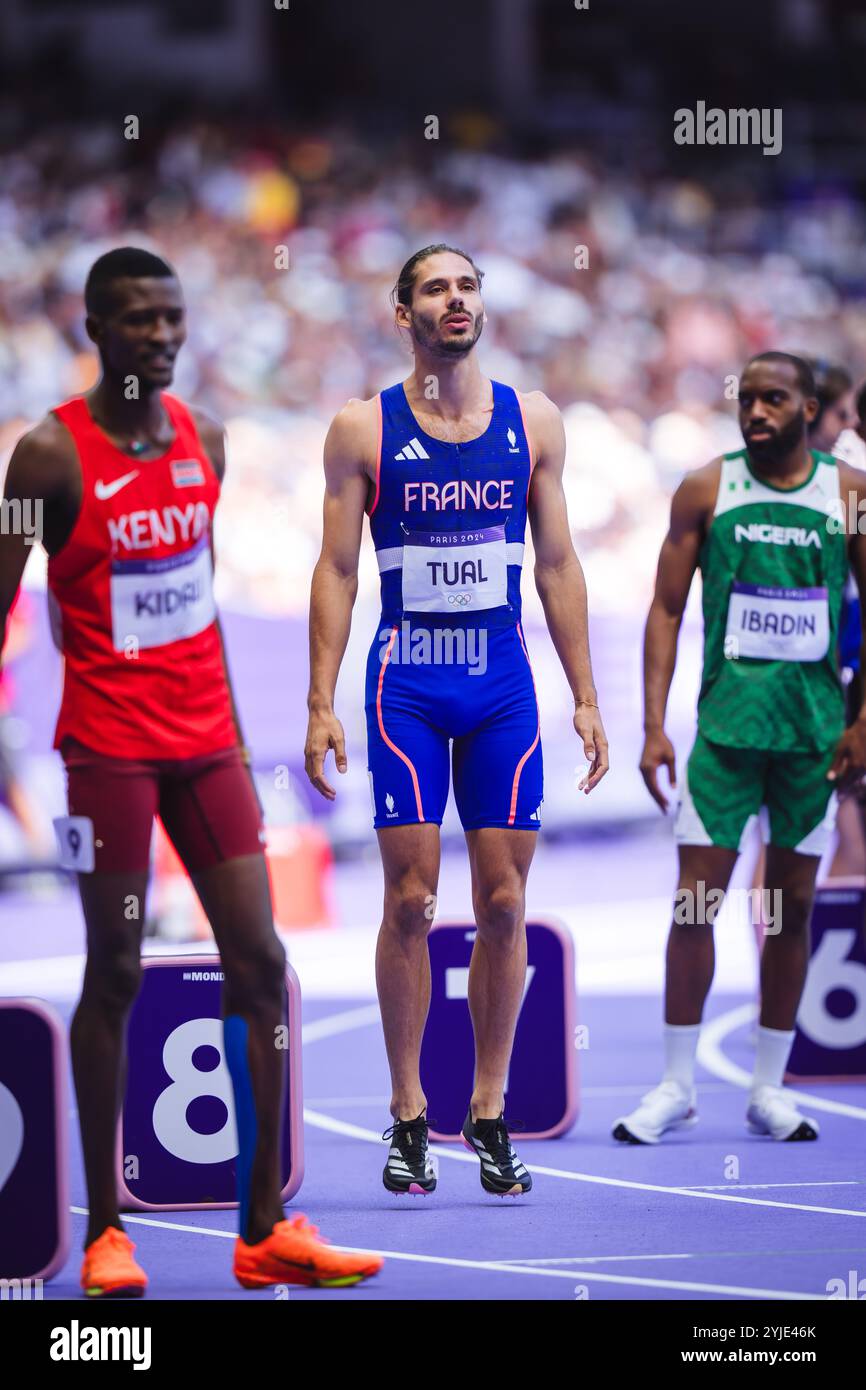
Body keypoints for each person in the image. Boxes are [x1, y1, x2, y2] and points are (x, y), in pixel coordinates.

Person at [0, 247, 382, 1295]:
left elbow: (193, 599)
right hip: (107, 752)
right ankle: (105, 1233)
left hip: (207, 743)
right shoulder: (45, 459)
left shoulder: (205, 440)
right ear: (94, 329)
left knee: (259, 966)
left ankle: (262, 1228)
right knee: (115, 971)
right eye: (135, 319)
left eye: (171, 316)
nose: (160, 335)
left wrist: (249, 724)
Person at [305, 244, 608, 1197]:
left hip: (503, 687)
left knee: (507, 901)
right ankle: (406, 1114)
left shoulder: (534, 420)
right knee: (410, 902)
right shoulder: (362, 428)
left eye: (468, 286)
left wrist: (588, 695)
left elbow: (556, 565)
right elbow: (340, 570)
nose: (456, 301)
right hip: (407, 685)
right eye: (435, 289)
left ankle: (487, 1110)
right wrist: (319, 700)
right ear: (404, 315)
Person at [619, 351, 866, 1144]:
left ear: (808, 407)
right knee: (696, 904)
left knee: (790, 913)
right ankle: (676, 1084)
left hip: (811, 742)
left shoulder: (850, 494)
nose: (756, 412)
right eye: (747, 399)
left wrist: (863, 722)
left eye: (774, 399)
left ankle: (768, 1088)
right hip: (724, 738)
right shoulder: (705, 487)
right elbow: (663, 609)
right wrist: (654, 725)